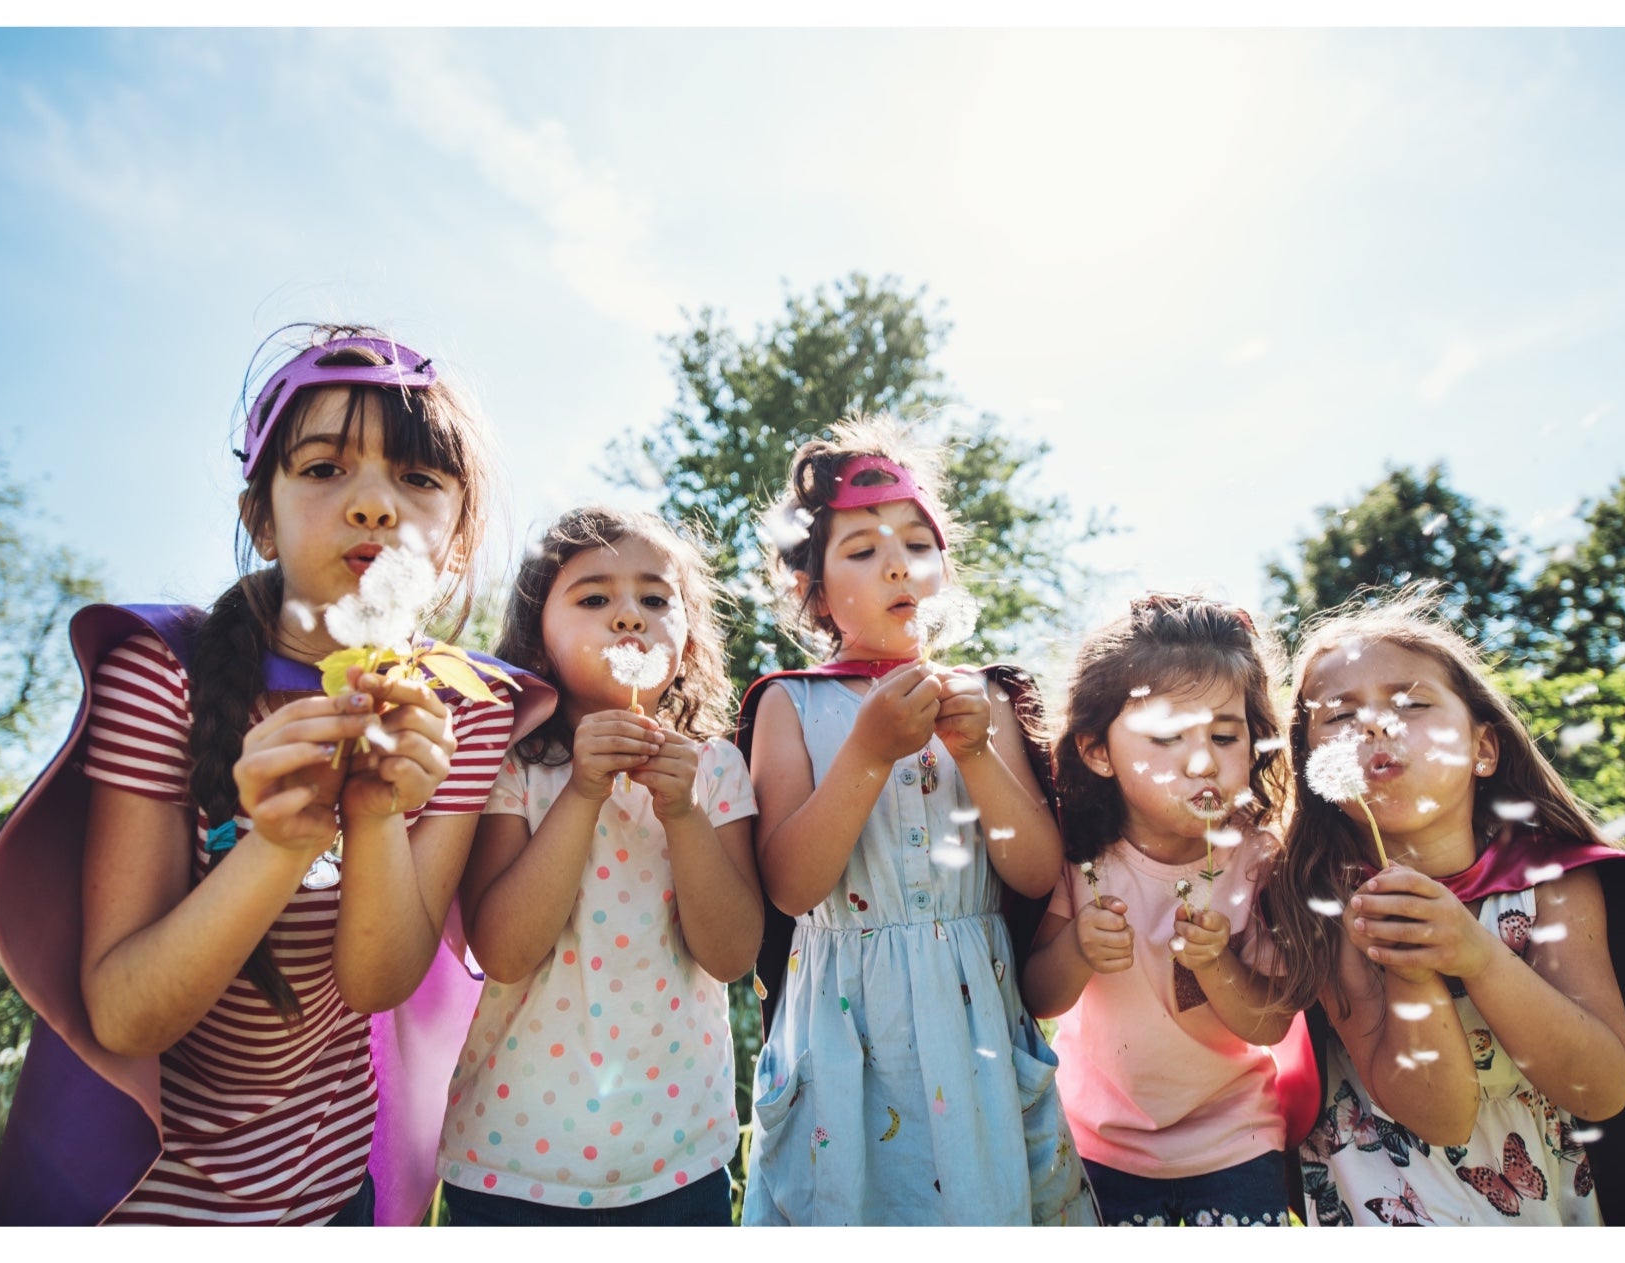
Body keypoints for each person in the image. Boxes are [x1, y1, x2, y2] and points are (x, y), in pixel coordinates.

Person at [0, 326, 555, 1225]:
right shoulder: (163, 674)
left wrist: (374, 817)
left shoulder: (465, 711)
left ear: (458, 535)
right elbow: (126, 1016)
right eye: (324, 468)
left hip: (329, 1190)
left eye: (418, 477)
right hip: (145, 1202)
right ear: (262, 519)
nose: (374, 505)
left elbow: (376, 984)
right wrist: (280, 845)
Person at [1264, 588, 1625, 1226]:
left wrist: (1477, 955)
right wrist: (1411, 968)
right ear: (1311, 766)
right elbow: (1440, 1116)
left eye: (1412, 703)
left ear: (1483, 749)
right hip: (1393, 1205)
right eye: (1341, 715)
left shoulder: (1553, 884)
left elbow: (1600, 1089)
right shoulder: (1325, 907)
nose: (1373, 725)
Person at [737, 414, 1096, 1226]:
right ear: (813, 590)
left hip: (973, 1027)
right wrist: (866, 753)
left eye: (915, 543)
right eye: (862, 549)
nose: (896, 563)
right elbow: (791, 887)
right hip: (845, 1034)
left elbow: (1035, 871)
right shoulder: (790, 704)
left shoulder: (986, 699)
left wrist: (978, 755)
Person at [436, 507, 763, 1226]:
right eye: (593, 597)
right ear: (538, 639)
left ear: (689, 635)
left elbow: (733, 954)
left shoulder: (713, 768)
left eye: (654, 597)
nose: (628, 615)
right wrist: (582, 790)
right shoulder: (512, 765)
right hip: (515, 1161)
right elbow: (504, 951)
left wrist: (684, 814)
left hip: (679, 1157)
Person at [1021, 592, 1299, 1226]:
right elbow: (1040, 999)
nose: (1203, 759)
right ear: (1097, 751)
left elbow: (1270, 1024)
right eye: (1168, 734)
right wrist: (1077, 949)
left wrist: (1217, 964)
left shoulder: (1257, 858)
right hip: (1099, 1143)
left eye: (1224, 735)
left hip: (1237, 1139)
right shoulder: (1080, 856)